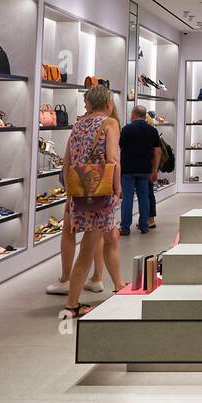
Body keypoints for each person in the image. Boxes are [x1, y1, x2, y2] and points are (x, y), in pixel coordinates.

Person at [60, 85, 124, 318]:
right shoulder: (110, 123)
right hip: (101, 192)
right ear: (108, 103)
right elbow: (113, 158)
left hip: (81, 192)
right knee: (88, 248)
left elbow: (67, 162)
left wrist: (69, 196)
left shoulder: (78, 125)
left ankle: (120, 286)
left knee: (111, 236)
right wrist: (117, 189)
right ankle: (71, 305)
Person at [119, 105, 161, 235]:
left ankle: (125, 227)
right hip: (145, 168)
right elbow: (157, 151)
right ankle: (144, 225)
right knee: (144, 197)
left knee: (127, 198)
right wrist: (155, 169)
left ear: (133, 114)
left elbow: (120, 147)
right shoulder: (152, 131)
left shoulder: (126, 129)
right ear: (144, 115)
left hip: (128, 169)